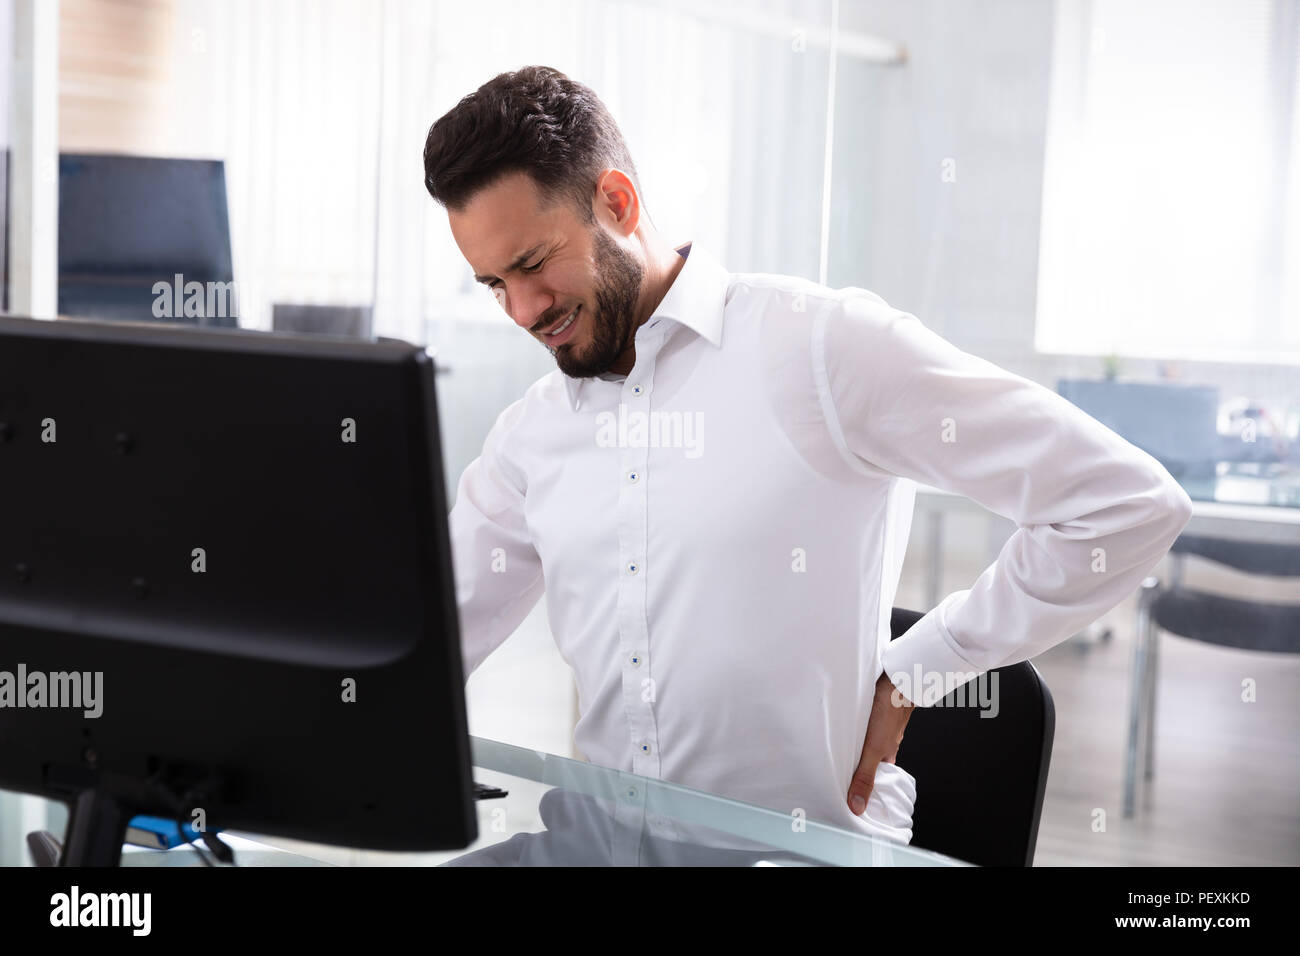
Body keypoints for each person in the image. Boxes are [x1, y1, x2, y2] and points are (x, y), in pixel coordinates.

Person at [422, 65, 1193, 846]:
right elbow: (425, 633)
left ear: (617, 203)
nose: (522, 311)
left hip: (800, 851)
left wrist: (920, 666)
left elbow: (1126, 504)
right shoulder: (534, 433)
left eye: (532, 265)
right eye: (493, 284)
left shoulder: (822, 347)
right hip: (591, 843)